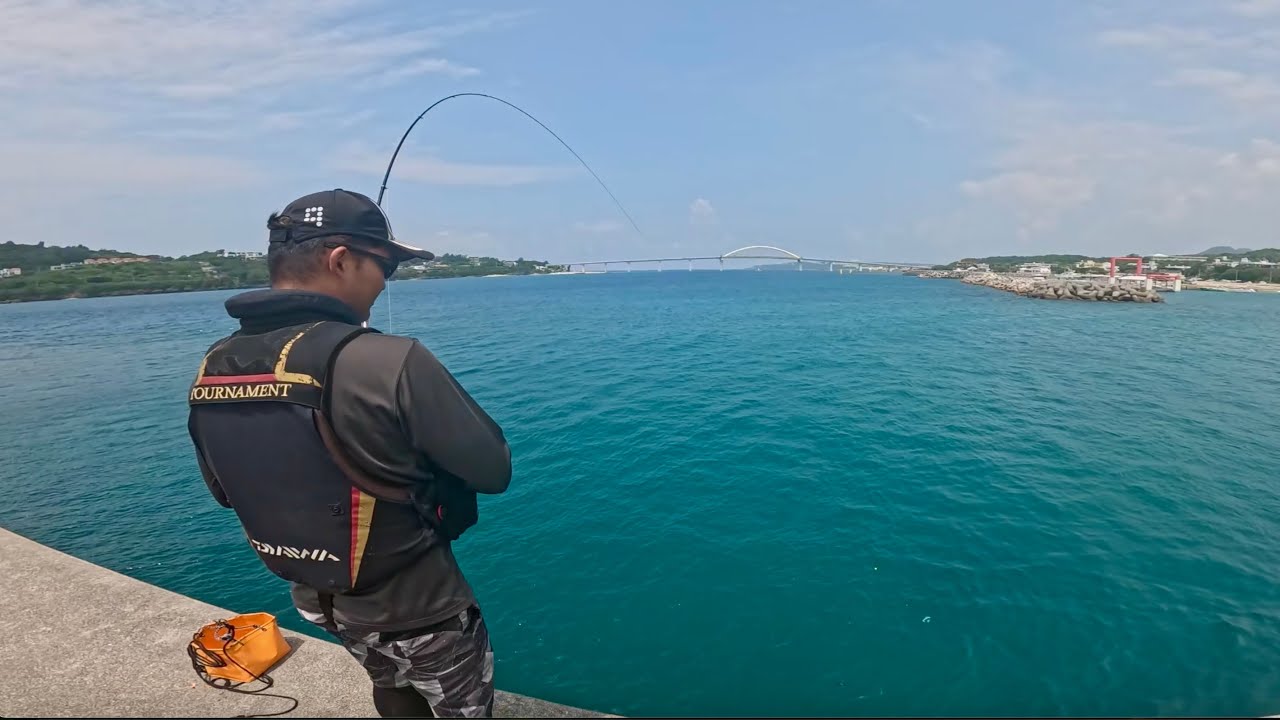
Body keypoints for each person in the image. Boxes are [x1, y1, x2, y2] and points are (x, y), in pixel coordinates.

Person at [186, 188, 512, 718]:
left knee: (388, 680)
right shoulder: (390, 360)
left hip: (319, 601)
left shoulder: (214, 364)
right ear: (341, 260)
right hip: (417, 605)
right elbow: (494, 469)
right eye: (386, 266)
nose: (386, 282)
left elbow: (224, 491)